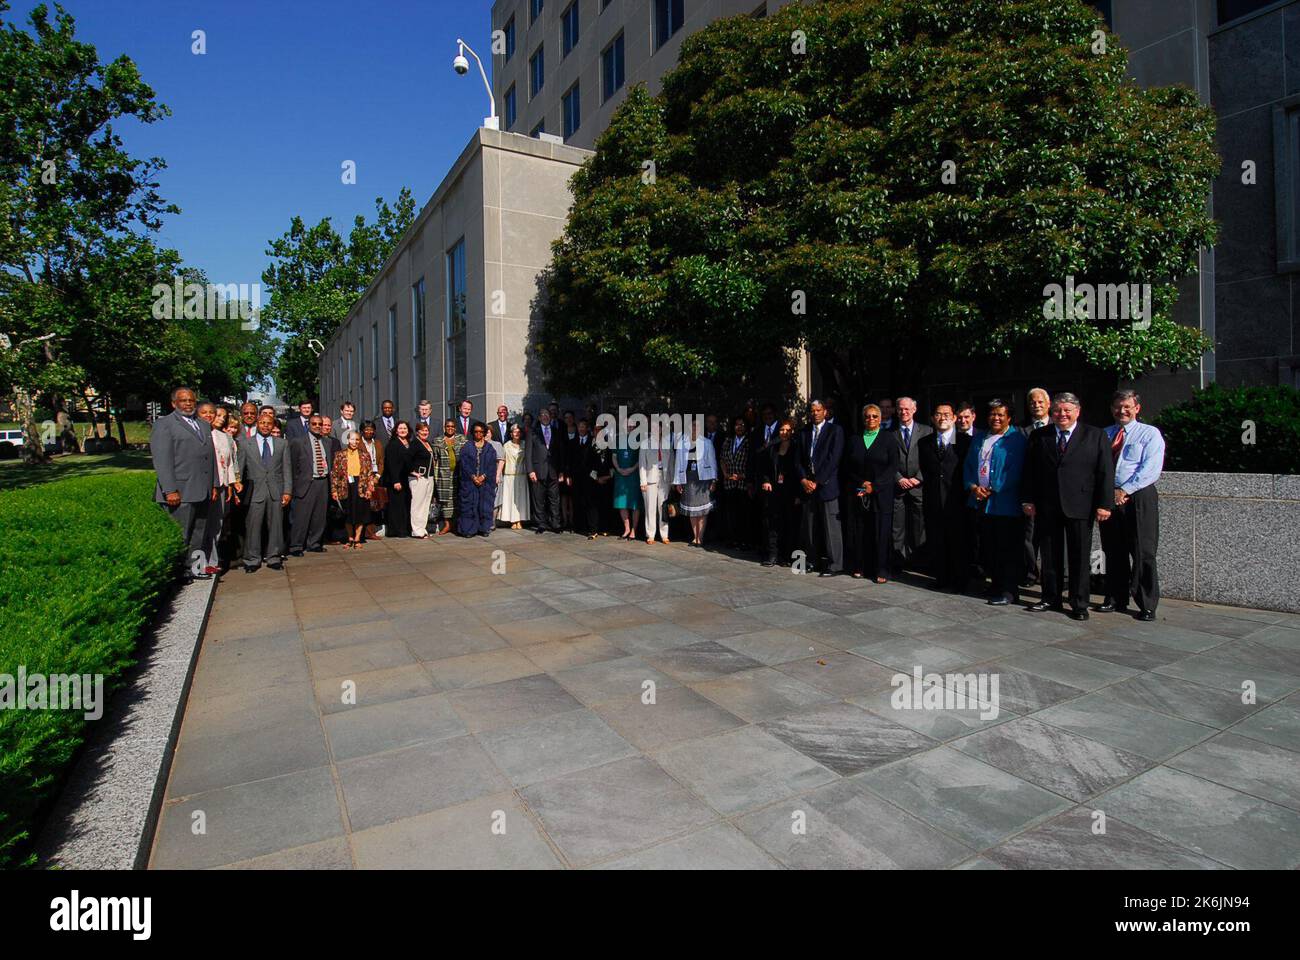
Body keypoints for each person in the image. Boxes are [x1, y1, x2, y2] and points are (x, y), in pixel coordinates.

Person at [1022, 392, 1114, 620]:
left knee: (1080, 556)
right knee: (1050, 555)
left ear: (1077, 411)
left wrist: (1104, 504)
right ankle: (1050, 597)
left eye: (1067, 410)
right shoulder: (1039, 435)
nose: (1062, 414)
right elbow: (1030, 471)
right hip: (1047, 505)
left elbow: (1105, 471)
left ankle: (1079, 602)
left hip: (1080, 505)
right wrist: (1028, 499)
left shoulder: (1095, 435)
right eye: (1057, 411)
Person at [1100, 389, 1164, 621]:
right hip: (1110, 497)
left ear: (1137, 408)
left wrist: (1125, 490)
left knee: (1143, 551)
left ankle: (1147, 603)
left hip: (1139, 496)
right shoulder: (1105, 434)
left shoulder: (1149, 434)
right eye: (1117, 406)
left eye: (1127, 406)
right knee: (1113, 550)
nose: (1122, 411)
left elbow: (1151, 469)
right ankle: (1115, 597)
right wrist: (1108, 494)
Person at [151, 386, 217, 582]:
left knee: (199, 533)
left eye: (191, 401)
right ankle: (179, 573)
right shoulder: (164, 425)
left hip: (202, 490)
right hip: (180, 492)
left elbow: (209, 458)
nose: (188, 404)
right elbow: (162, 460)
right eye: (183, 401)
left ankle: (195, 568)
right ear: (174, 403)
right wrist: (170, 489)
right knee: (182, 534)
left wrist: (212, 484)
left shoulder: (203, 425)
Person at [966, 400, 1028, 606]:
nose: (996, 418)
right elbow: (969, 465)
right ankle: (995, 584)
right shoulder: (980, 438)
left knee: (1007, 548)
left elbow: (1016, 470)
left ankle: (1009, 590)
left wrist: (994, 488)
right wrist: (974, 487)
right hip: (981, 502)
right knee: (989, 546)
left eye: (1001, 414)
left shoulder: (1017, 439)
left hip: (1005, 503)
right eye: (993, 414)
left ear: (1009, 417)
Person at [918, 402, 971, 592]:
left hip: (957, 501)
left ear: (955, 418)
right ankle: (941, 577)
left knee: (958, 542)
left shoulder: (966, 442)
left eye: (947, 414)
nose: (942, 418)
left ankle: (960, 581)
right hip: (933, 500)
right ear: (932, 418)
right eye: (938, 414)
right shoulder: (924, 443)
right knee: (937, 540)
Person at [844, 404, 900, 582]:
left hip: (881, 492)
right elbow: (847, 466)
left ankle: (881, 570)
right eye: (867, 416)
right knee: (861, 530)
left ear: (880, 418)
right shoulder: (854, 439)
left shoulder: (889, 439)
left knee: (880, 531)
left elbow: (893, 467)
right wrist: (862, 483)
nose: (871, 419)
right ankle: (860, 566)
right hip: (860, 491)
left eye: (875, 416)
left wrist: (875, 486)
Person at [236, 408, 292, 572]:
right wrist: (238, 488)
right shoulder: (246, 444)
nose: (266, 426)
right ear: (257, 424)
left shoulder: (282, 443)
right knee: (253, 526)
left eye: (269, 423)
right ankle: (252, 560)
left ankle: (274, 557)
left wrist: (287, 491)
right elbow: (240, 469)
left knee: (276, 525)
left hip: (276, 490)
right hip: (255, 492)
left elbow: (287, 469)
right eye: (262, 423)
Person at [798, 399, 845, 576]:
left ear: (825, 412)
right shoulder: (804, 432)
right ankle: (812, 560)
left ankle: (835, 564)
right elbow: (798, 459)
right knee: (810, 527)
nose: (815, 413)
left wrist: (817, 481)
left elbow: (834, 459)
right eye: (812, 410)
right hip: (807, 487)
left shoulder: (835, 430)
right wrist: (803, 479)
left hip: (826, 486)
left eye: (819, 410)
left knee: (831, 527)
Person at [891, 396, 931, 573]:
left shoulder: (927, 431)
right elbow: (888, 461)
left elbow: (931, 459)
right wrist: (898, 477)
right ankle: (899, 560)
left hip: (918, 486)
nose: (903, 412)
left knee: (919, 525)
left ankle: (919, 561)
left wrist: (919, 478)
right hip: (898, 487)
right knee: (897, 526)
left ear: (914, 410)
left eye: (907, 409)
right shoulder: (890, 434)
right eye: (900, 409)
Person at [756, 417, 800, 566]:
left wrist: (798, 494)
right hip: (774, 490)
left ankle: (786, 556)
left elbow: (799, 471)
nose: (785, 432)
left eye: (788, 430)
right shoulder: (772, 447)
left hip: (790, 491)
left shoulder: (796, 447)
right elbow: (765, 468)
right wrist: (766, 481)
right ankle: (772, 554)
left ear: (792, 431)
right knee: (772, 523)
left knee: (789, 524)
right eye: (782, 429)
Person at [1020, 386, 1052, 586]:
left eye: (1040, 401)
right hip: (1031, 491)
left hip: (1055, 493)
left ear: (1048, 404)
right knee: (1028, 538)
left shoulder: (1060, 425)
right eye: (1032, 402)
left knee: (1053, 538)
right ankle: (1031, 573)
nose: (1036, 405)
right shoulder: (1020, 429)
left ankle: (1055, 575)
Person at [201, 405, 238, 575]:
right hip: (205, 486)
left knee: (217, 524)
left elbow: (230, 462)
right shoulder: (204, 434)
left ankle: (212, 561)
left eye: (224, 416)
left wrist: (230, 484)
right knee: (203, 526)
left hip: (222, 486)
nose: (221, 418)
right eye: (218, 415)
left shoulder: (225, 437)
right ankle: (202, 561)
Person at [288, 414, 331, 555]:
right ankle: (296, 546)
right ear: (309, 425)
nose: (317, 426)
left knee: (319, 516)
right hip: (306, 483)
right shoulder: (298, 442)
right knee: (301, 517)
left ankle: (314, 543)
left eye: (320, 424)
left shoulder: (327, 442)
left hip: (322, 481)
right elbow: (293, 466)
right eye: (314, 424)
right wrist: (294, 487)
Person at [674, 418, 718, 547]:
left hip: (703, 479)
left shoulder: (707, 443)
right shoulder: (682, 442)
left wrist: (714, 480)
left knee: (703, 510)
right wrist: (677, 482)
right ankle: (695, 537)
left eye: (697, 426)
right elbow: (678, 463)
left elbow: (713, 461)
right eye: (693, 426)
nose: (695, 428)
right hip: (688, 479)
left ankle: (700, 537)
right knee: (692, 509)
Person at [331, 429, 376, 549]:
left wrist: (369, 489)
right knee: (348, 514)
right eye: (352, 439)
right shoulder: (340, 455)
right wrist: (334, 490)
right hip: (345, 486)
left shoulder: (365, 455)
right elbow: (335, 473)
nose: (354, 442)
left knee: (360, 513)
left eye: (357, 439)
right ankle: (349, 538)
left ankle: (357, 538)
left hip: (360, 485)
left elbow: (369, 474)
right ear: (347, 440)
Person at [525, 409, 565, 533]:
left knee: (554, 499)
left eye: (547, 415)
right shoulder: (533, 432)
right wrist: (530, 470)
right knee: (539, 500)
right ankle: (541, 524)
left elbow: (561, 453)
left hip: (553, 471)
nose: (545, 417)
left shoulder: (556, 431)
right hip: (537, 471)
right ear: (539, 417)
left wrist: (562, 471)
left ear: (550, 417)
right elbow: (528, 453)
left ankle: (556, 524)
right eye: (542, 415)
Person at [457, 422, 499, 536]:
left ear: (484, 433)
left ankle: (484, 528)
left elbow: (492, 465)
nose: (478, 434)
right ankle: (468, 530)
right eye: (476, 431)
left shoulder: (489, 448)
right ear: (472, 433)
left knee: (484, 506)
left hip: (485, 483)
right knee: (469, 506)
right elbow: (464, 464)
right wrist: (473, 477)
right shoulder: (467, 446)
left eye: (481, 431)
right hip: (469, 482)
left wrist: (483, 477)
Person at [719, 416, 752, 549]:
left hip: (743, 483)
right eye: (737, 424)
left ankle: (743, 540)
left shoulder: (749, 441)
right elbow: (722, 458)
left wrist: (742, 476)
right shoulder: (728, 440)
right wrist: (725, 474)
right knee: (730, 513)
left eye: (742, 424)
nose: (739, 427)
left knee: (743, 514)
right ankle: (732, 539)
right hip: (729, 482)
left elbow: (751, 462)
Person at [638, 421, 674, 544]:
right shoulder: (645, 443)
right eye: (653, 428)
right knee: (650, 507)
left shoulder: (667, 443)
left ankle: (664, 534)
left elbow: (671, 463)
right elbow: (642, 464)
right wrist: (643, 481)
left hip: (664, 478)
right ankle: (651, 534)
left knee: (663, 507)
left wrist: (673, 480)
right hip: (650, 479)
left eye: (658, 428)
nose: (656, 431)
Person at [569, 418, 601, 538]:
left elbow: (596, 461)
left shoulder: (594, 442)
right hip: (577, 477)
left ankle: (593, 529)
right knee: (577, 501)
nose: (581, 429)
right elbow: (570, 461)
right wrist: (569, 475)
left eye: (584, 426)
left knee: (591, 503)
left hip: (590, 478)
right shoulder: (573, 442)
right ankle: (578, 526)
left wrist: (594, 475)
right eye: (579, 426)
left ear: (587, 428)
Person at [432, 418, 465, 535]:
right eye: (447, 426)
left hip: (458, 474)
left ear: (455, 428)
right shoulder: (437, 441)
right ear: (444, 428)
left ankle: (455, 524)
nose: (450, 428)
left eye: (452, 426)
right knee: (445, 499)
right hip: (443, 474)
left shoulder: (461, 439)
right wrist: (435, 477)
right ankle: (447, 524)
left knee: (456, 498)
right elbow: (435, 460)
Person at [381, 420, 413, 539]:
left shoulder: (408, 442)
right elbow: (391, 464)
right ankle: (397, 530)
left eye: (405, 428)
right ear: (396, 430)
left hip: (406, 479)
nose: (403, 430)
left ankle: (405, 528)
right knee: (397, 506)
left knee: (405, 505)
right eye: (400, 428)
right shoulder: (393, 444)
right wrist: (395, 481)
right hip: (396, 480)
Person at [407, 422, 437, 538]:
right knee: (417, 504)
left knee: (426, 504)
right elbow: (407, 459)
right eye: (422, 431)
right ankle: (416, 530)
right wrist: (413, 471)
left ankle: (422, 528)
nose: (425, 433)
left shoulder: (427, 443)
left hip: (429, 477)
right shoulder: (415, 443)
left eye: (426, 431)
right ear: (417, 432)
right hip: (418, 478)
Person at [498, 423, 530, 528]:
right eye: (514, 431)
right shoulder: (506, 445)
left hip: (522, 475)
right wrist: (498, 474)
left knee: (521, 499)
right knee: (511, 498)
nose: (516, 433)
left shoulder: (525, 444)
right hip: (509, 476)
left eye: (518, 431)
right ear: (511, 434)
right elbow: (502, 460)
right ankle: (513, 520)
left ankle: (519, 520)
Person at [612, 435, 642, 540]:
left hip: (634, 475)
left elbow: (641, 457)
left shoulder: (638, 439)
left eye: (632, 426)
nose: (630, 428)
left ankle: (634, 530)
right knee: (622, 503)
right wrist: (618, 468)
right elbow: (614, 456)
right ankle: (627, 529)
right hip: (620, 475)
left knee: (634, 504)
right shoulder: (618, 439)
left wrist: (632, 468)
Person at [360, 419, 385, 539]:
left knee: (375, 505)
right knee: (364, 505)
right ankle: (364, 532)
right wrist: (367, 477)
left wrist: (377, 476)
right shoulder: (359, 443)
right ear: (362, 431)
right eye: (366, 429)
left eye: (371, 429)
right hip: (363, 477)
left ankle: (372, 531)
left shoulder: (378, 443)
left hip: (376, 476)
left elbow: (381, 462)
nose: (369, 431)